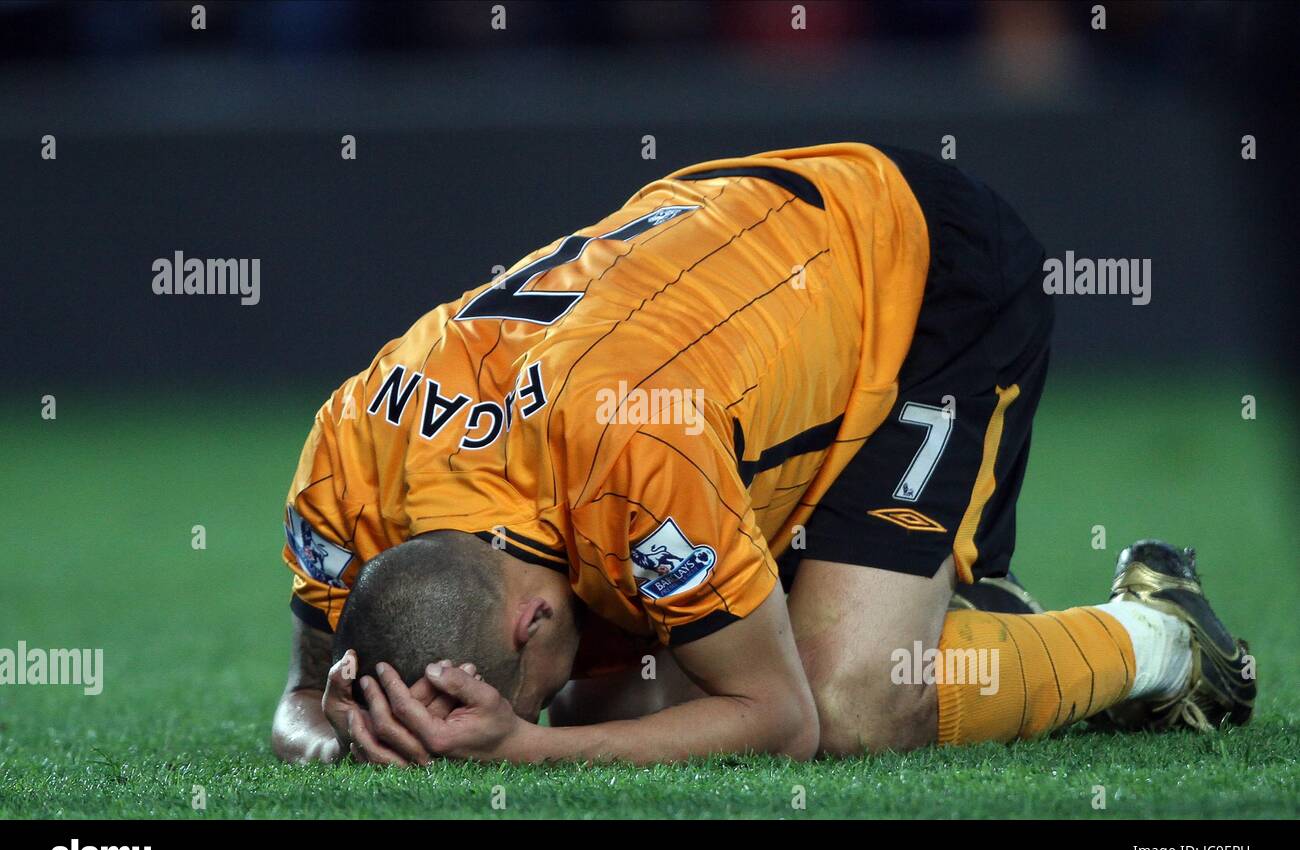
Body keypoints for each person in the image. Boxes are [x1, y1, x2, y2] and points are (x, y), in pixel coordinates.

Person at [270, 143, 1254, 765]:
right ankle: (960, 615)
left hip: (913, 269)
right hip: (735, 277)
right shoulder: (349, 458)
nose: (543, 701)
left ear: (530, 624)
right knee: (640, 691)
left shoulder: (633, 459)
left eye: (534, 684)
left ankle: (1159, 639)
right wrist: (333, 733)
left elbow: (781, 718)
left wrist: (529, 745)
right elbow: (305, 698)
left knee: (854, 699)